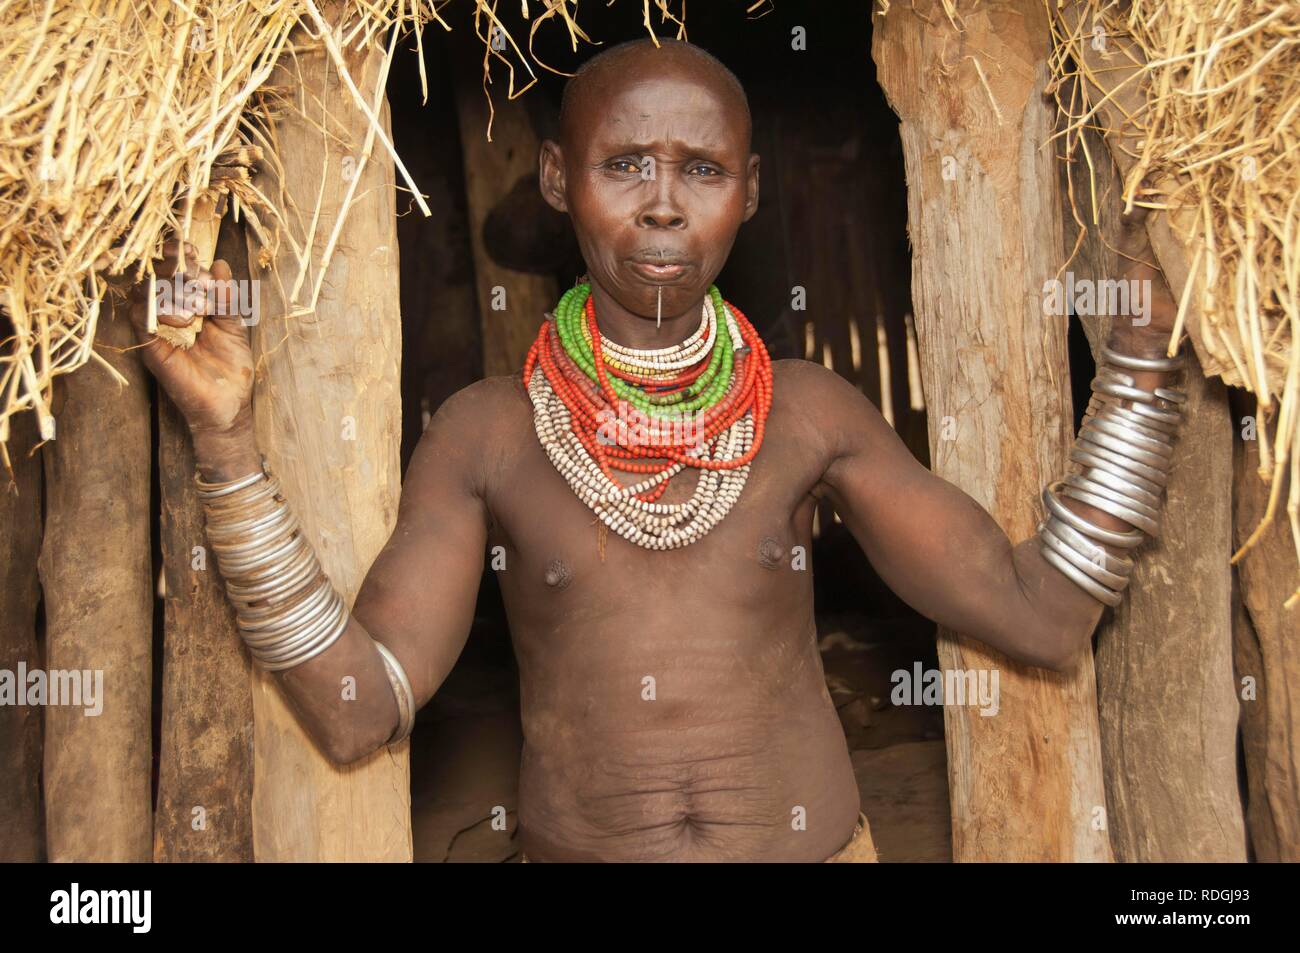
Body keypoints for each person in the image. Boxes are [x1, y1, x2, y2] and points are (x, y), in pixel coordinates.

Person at [125, 38, 1187, 862]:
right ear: (555, 177)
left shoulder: (810, 415)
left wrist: (1140, 369)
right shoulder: (489, 432)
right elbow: (357, 708)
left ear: (752, 188)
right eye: (625, 163)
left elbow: (1042, 617)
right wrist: (225, 442)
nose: (664, 202)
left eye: (703, 168)